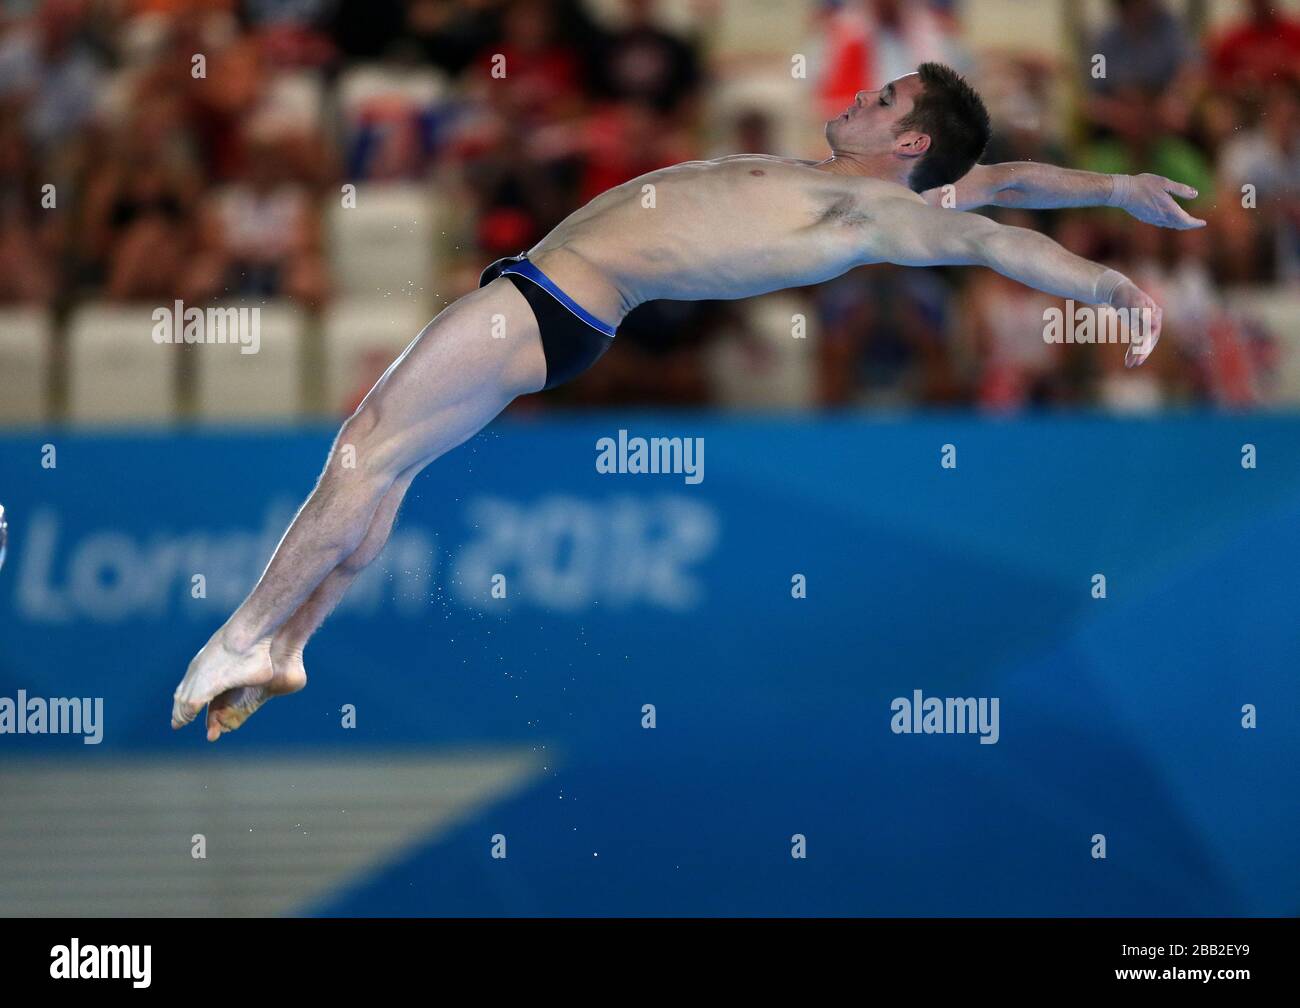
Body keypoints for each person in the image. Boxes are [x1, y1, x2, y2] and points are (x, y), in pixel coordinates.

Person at [171, 63, 1203, 740]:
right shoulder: (853, 178)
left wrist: (1103, 284)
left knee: (365, 447)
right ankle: (294, 642)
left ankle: (244, 633)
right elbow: (1004, 182)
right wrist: (1114, 190)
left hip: (553, 301)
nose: (862, 97)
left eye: (885, 99)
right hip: (555, 302)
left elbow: (992, 238)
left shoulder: (872, 208)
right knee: (390, 467)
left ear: (906, 146)